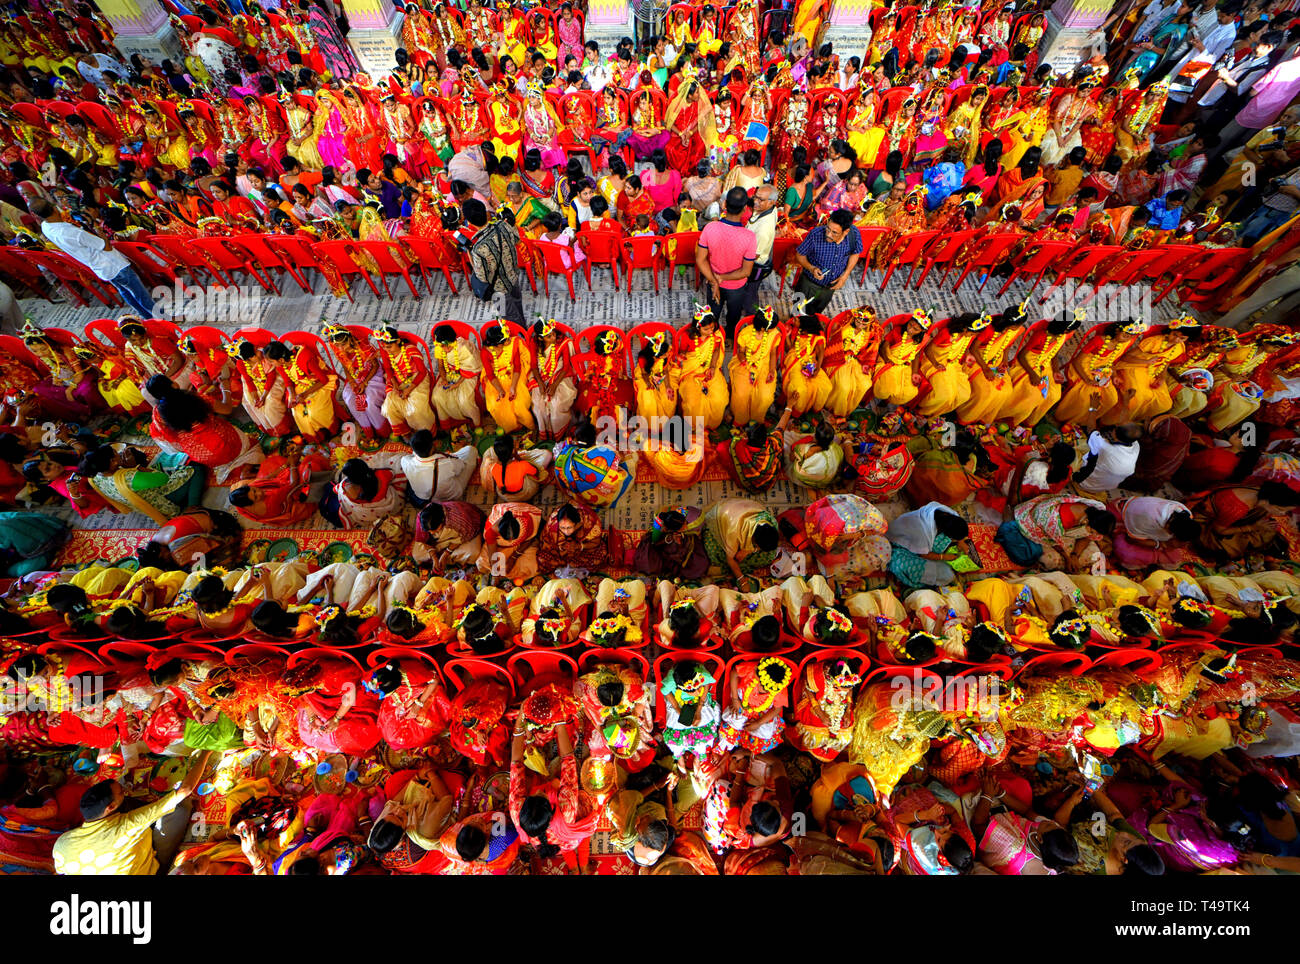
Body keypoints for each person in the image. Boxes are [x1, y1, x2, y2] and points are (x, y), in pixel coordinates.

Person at [53, 753, 210, 875]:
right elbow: (185, 790)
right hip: (149, 868)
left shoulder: (61, 845)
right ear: (111, 807)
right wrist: (207, 752)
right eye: (121, 792)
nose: (124, 791)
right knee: (182, 807)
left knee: (130, 798)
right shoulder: (126, 825)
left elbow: (61, 871)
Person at [34, 201, 155, 316]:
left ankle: (146, 316)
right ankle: (161, 317)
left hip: (100, 268)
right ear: (55, 209)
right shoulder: (74, 233)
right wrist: (99, 231)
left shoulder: (46, 227)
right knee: (139, 293)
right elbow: (106, 247)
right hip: (114, 265)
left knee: (125, 292)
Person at [696, 186, 757, 337]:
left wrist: (715, 281)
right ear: (744, 209)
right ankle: (730, 335)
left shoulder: (710, 228)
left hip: (713, 282)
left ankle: (712, 337)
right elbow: (746, 271)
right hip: (736, 287)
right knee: (734, 314)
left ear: (724, 205)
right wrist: (722, 278)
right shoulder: (749, 237)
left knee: (713, 312)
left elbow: (700, 259)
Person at [794, 209, 863, 315]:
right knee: (798, 311)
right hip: (809, 284)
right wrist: (811, 268)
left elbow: (855, 253)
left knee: (815, 313)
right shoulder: (815, 235)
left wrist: (845, 275)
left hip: (830, 287)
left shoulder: (854, 234)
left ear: (846, 231)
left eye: (834, 232)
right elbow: (799, 255)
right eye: (828, 229)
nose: (828, 234)